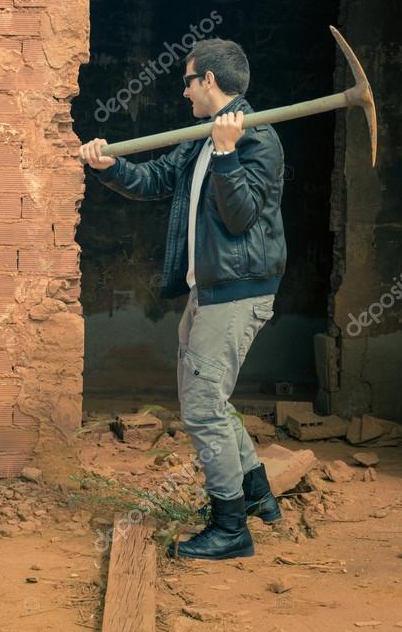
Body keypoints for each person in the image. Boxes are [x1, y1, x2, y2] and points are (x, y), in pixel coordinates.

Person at [79, 37, 287, 561]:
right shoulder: (200, 137)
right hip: (208, 289)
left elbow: (240, 218)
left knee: (201, 410)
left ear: (209, 82)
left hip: (236, 293)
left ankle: (230, 528)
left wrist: (225, 152)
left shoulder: (257, 140)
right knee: (209, 400)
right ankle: (256, 490)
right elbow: (156, 179)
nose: (184, 90)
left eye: (188, 80)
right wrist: (109, 168)